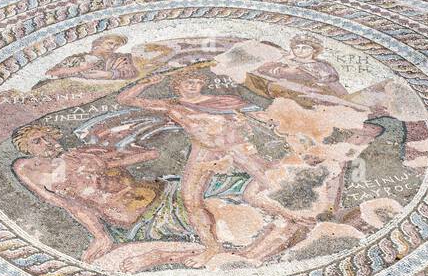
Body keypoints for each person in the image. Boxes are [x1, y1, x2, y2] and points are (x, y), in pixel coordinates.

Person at [116, 69, 294, 259]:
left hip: (236, 147)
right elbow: (125, 100)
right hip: (203, 150)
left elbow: (263, 116)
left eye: (197, 82)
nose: (193, 85)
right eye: (188, 82)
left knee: (271, 186)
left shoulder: (225, 101)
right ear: (177, 86)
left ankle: (293, 217)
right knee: (190, 200)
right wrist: (147, 82)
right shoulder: (172, 106)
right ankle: (211, 246)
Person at [10, 124, 176, 262]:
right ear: (26, 148)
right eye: (37, 141)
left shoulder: (83, 154)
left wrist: (114, 159)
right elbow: (70, 205)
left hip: (163, 194)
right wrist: (100, 235)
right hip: (138, 220)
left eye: (48, 137)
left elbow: (147, 154)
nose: (47, 142)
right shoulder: (28, 168)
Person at [44, 34, 139, 81]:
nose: (113, 47)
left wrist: (109, 74)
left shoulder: (121, 58)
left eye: (117, 45)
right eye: (110, 43)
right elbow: (50, 73)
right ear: (99, 43)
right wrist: (79, 68)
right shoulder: (76, 59)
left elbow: (133, 73)